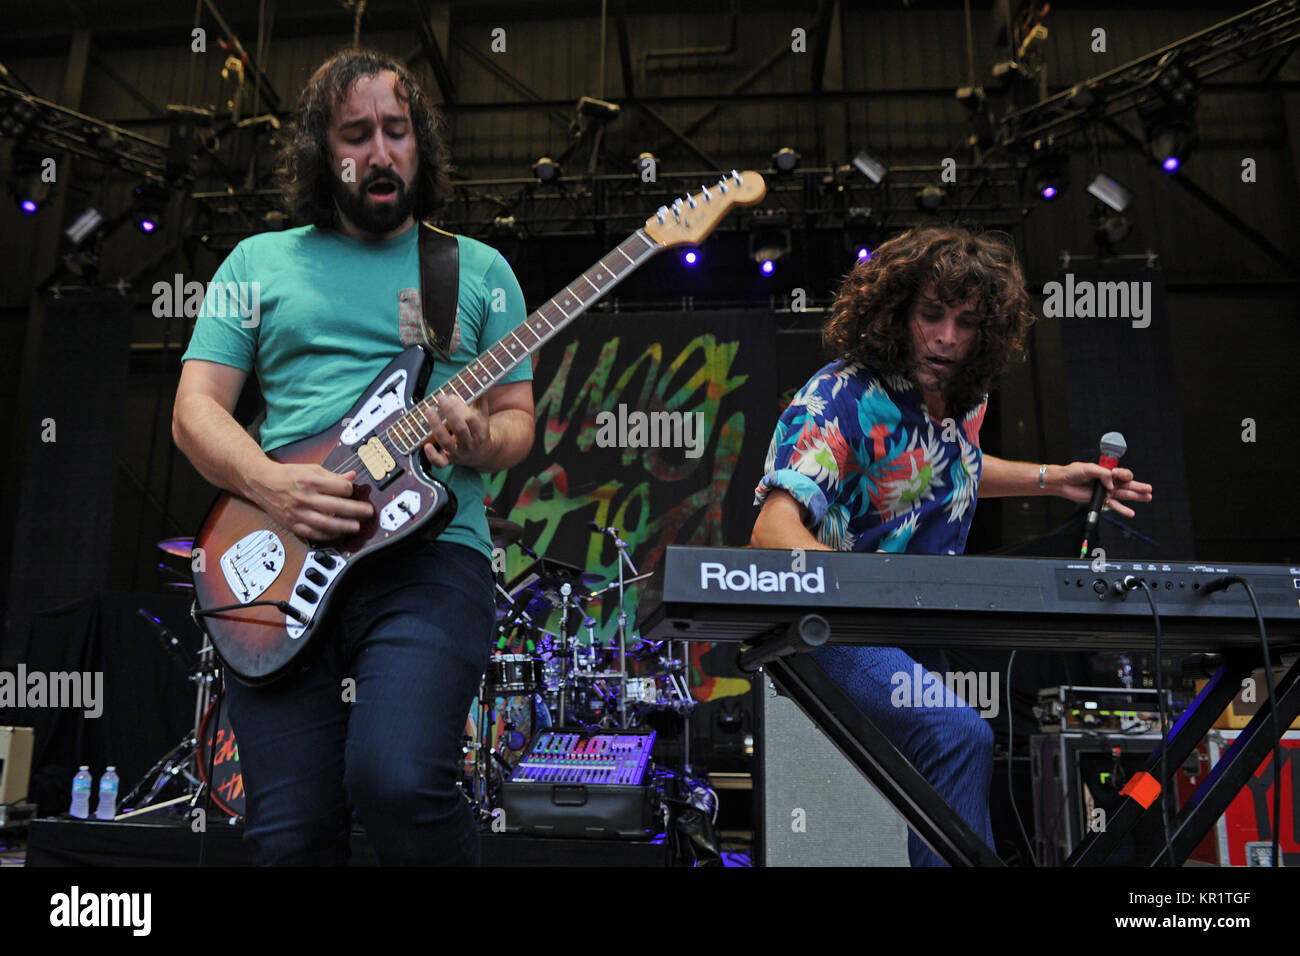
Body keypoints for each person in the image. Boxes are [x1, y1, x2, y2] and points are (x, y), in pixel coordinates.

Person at [172, 49, 535, 865]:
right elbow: (195, 411)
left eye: (397, 131)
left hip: (431, 559)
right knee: (289, 835)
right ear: (321, 152)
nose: (379, 151)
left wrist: (479, 436)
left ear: (420, 146)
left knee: (399, 780)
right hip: (278, 561)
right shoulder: (252, 265)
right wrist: (272, 483)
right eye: (356, 133)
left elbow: (517, 424)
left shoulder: (476, 270)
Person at [749, 225, 1152, 866]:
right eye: (931, 316)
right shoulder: (840, 397)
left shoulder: (964, 398)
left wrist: (1054, 480)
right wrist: (865, 589)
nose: (946, 338)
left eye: (966, 323)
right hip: (832, 631)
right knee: (956, 732)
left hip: (914, 630)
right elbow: (773, 531)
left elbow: (946, 467)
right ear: (894, 313)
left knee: (949, 774)